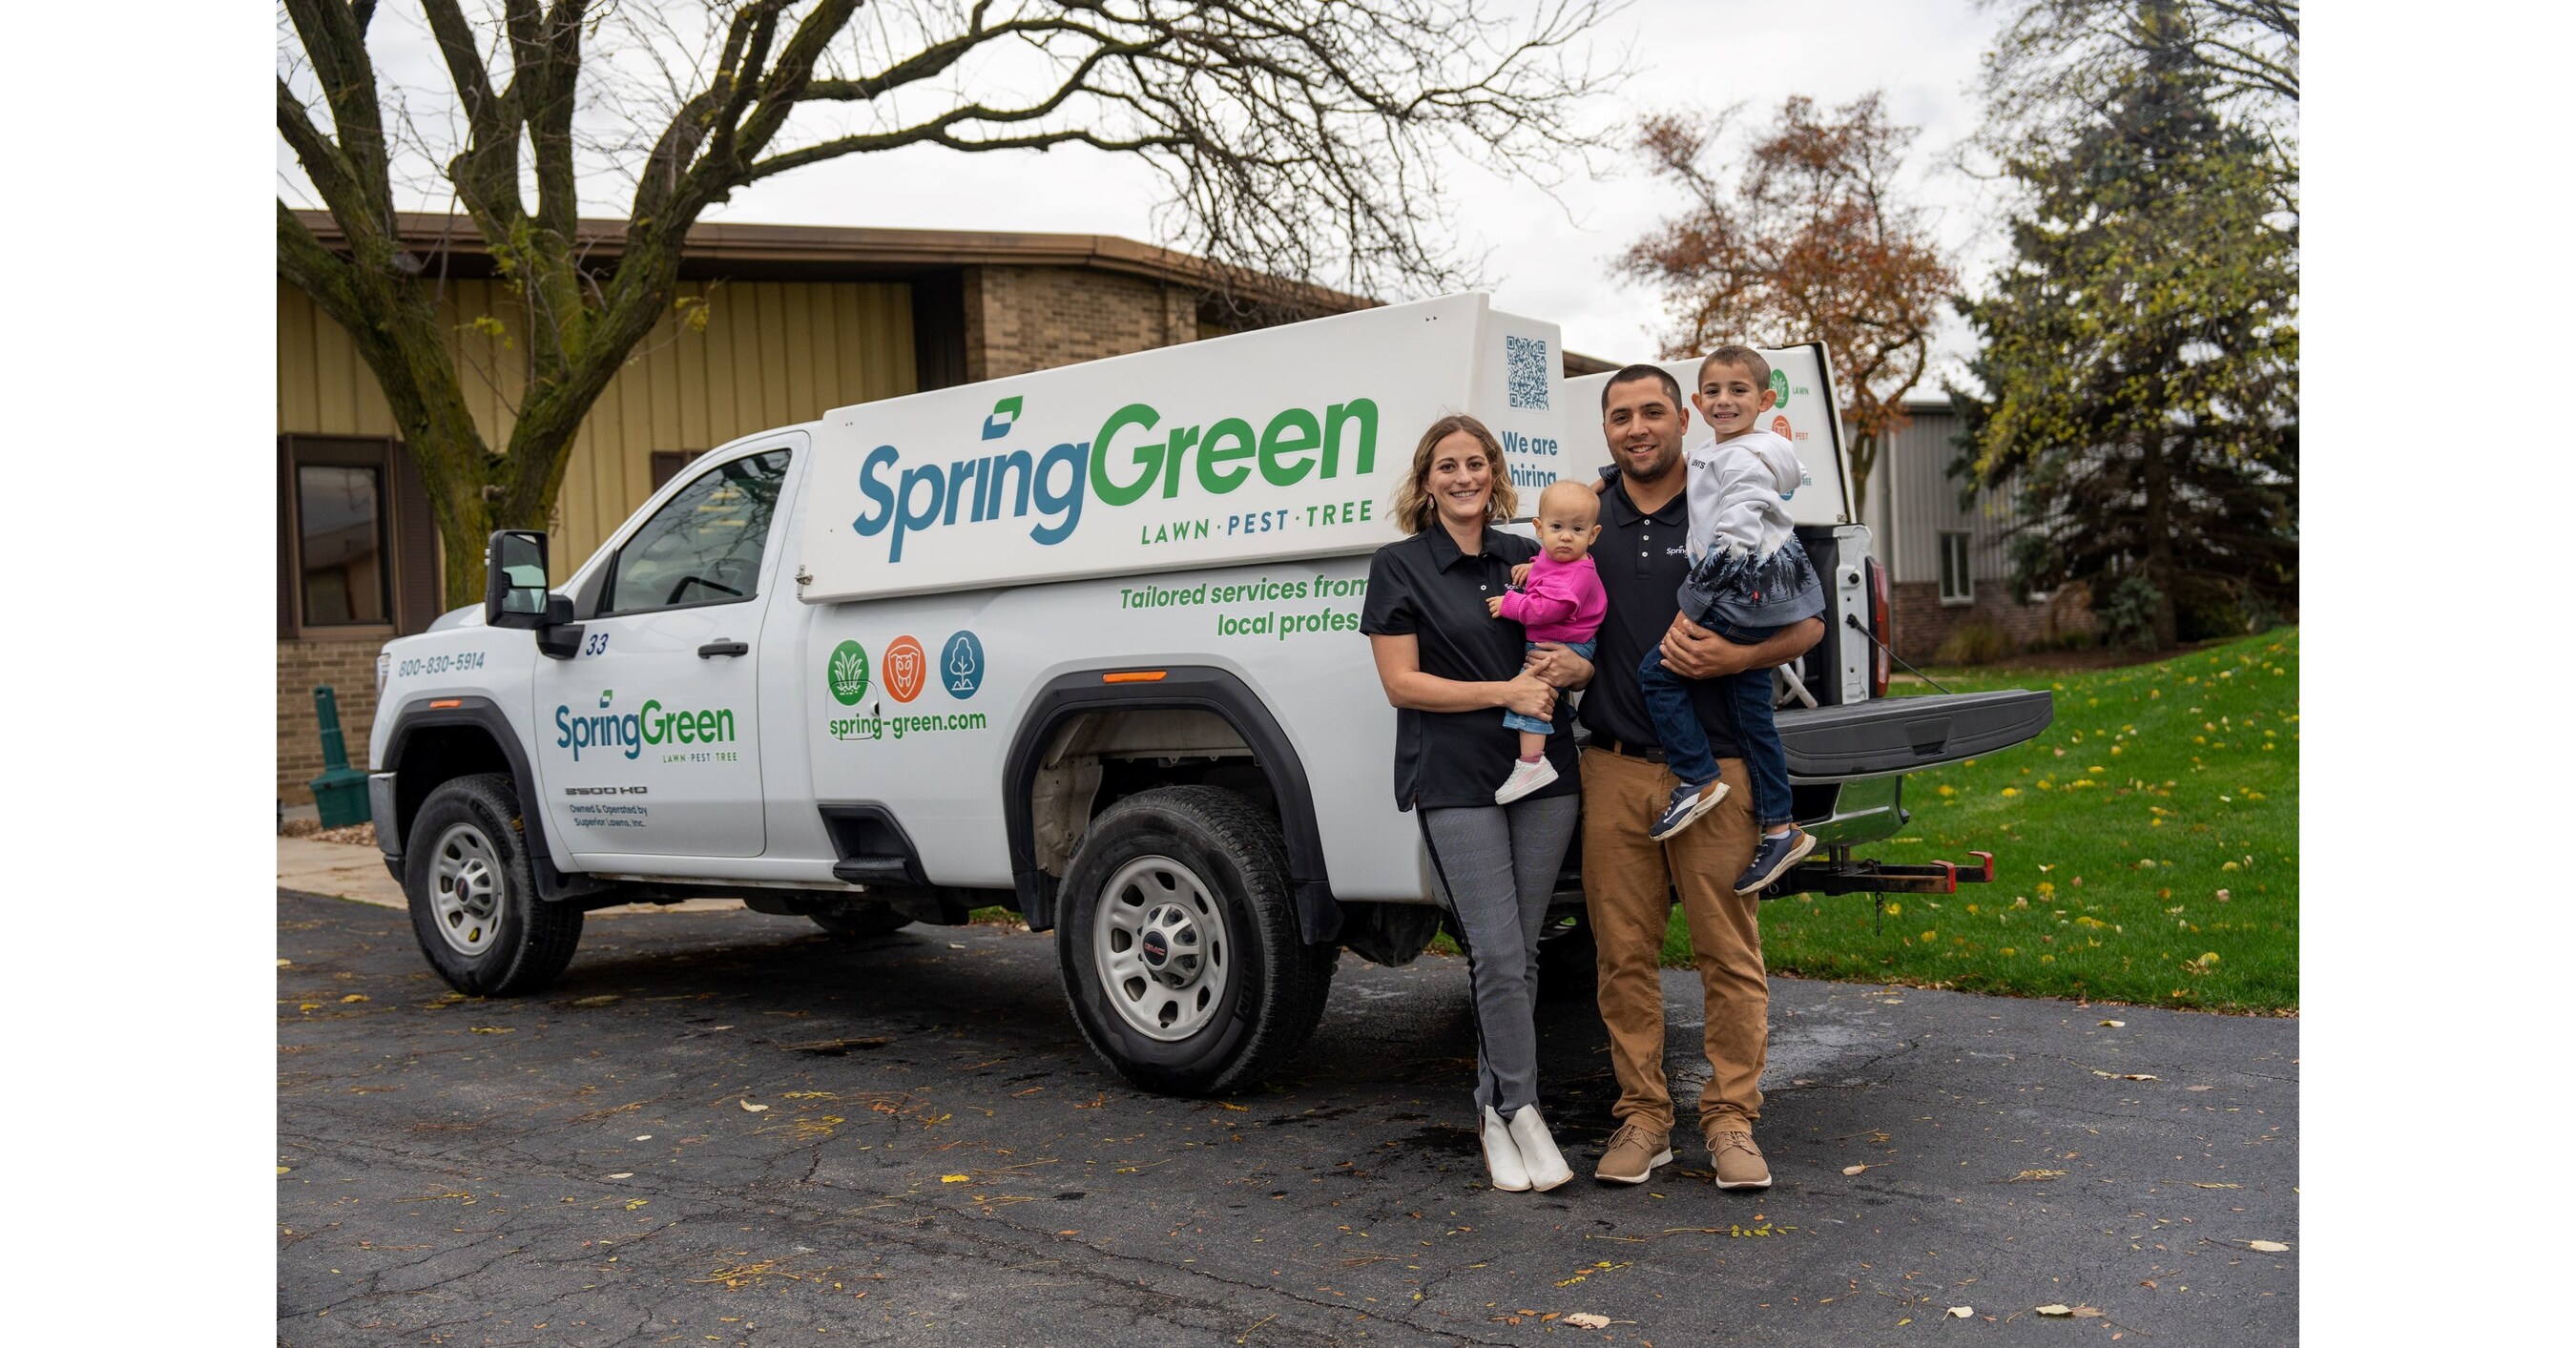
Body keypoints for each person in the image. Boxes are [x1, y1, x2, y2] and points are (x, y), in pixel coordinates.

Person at [1521, 364, 1823, 1192]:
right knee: (1622, 956)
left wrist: (1733, 656)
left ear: (1684, 418)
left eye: (1652, 411)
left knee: (1729, 953)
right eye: (1621, 415)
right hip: (1615, 767)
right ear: (1606, 429)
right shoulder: (1588, 519)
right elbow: (1556, 603)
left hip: (1719, 770)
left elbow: (1808, 621)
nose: (1637, 427)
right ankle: (1644, 1117)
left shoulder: (1729, 492)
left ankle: (1730, 1120)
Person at [1361, 413, 1583, 1193]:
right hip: (1455, 777)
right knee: (1495, 950)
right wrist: (1506, 691)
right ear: (1427, 481)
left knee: (1521, 950)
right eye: (1447, 465)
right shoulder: (1399, 565)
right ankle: (1523, 1108)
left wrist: (1575, 670)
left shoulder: (1527, 554)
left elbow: (1577, 635)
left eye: (1476, 462)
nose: (1464, 476)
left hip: (1543, 774)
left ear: (1495, 473)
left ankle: (1493, 1109)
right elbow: (1401, 684)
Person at [1627, 346, 1825, 895]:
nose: (1724, 401)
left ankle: (1696, 777)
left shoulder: (1744, 459)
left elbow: (1735, 542)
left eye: (1739, 390)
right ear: (1697, 402)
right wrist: (1603, 480)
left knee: (1657, 674)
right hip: (1764, 593)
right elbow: (1689, 465)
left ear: (1765, 399)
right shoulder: (1720, 451)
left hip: (1743, 592)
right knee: (1752, 716)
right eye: (1713, 391)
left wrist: (1689, 608)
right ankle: (1780, 829)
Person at [1487, 480, 1607, 805]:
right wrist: (1532, 566)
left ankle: (1532, 764)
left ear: (1593, 535)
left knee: (1530, 693)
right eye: (1557, 527)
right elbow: (1547, 567)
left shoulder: (1578, 573)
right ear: (1539, 528)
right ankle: (1561, 712)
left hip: (1567, 644)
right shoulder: (1555, 557)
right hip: (1555, 641)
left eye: (1577, 529)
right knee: (1539, 691)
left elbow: (1548, 609)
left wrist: (1510, 605)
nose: (1566, 537)